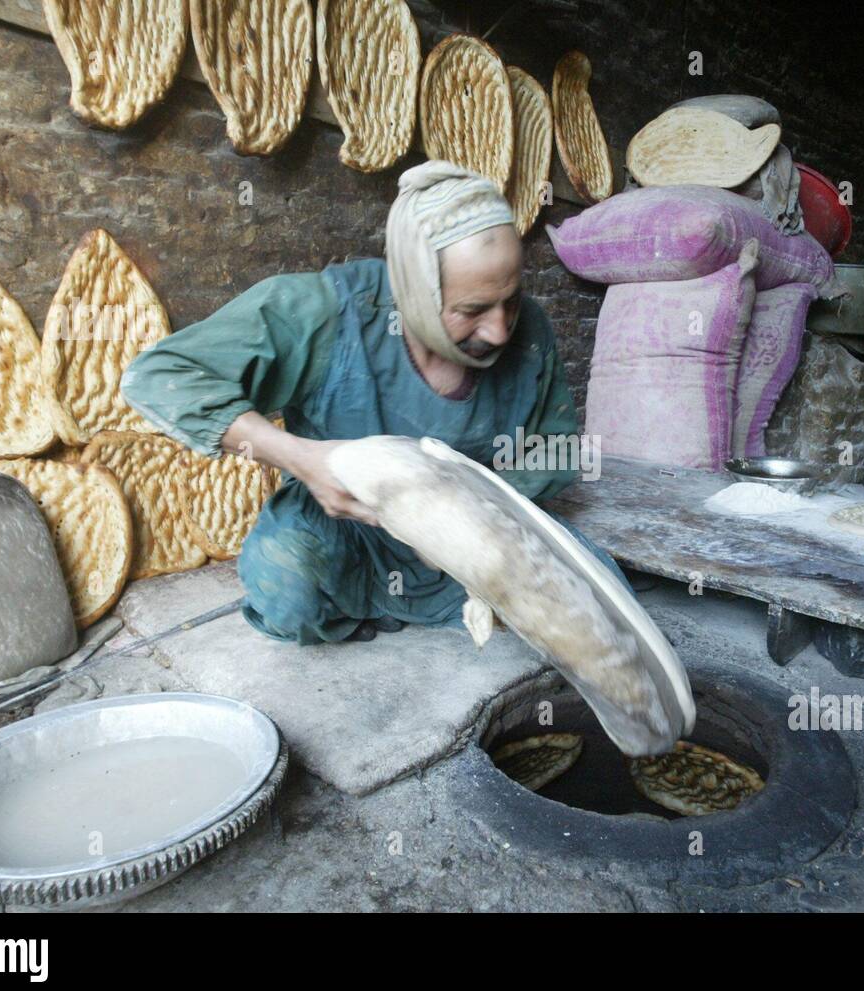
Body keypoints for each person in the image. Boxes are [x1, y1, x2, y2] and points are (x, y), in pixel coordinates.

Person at [120, 160, 624, 644]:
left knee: (605, 607)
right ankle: (352, 611)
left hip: (471, 541)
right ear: (413, 291)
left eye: (509, 300)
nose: (497, 329)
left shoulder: (528, 331)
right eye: (471, 311)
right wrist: (303, 459)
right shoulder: (327, 312)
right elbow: (160, 375)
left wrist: (469, 523)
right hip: (347, 531)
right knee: (286, 582)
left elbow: (553, 451)